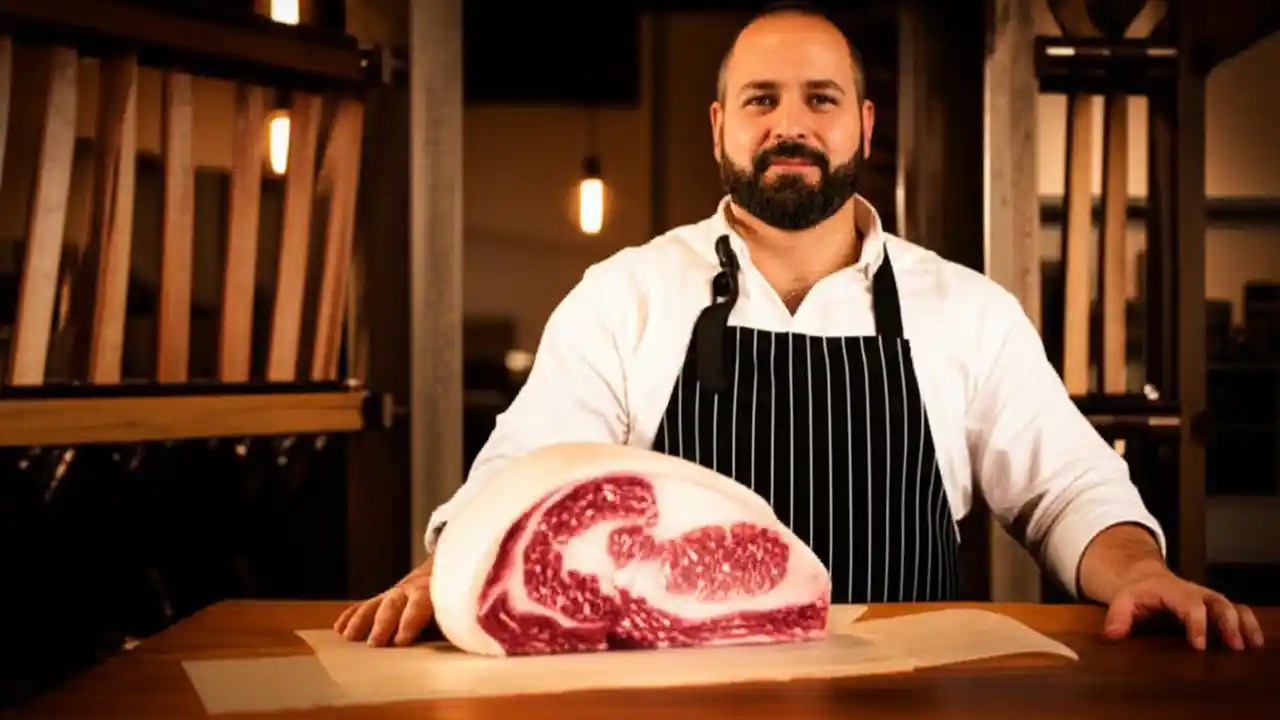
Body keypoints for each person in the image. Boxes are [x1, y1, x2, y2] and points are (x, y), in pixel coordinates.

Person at [335, 2, 1265, 652]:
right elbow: (520, 474)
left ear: (863, 123)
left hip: (903, 703)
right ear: (719, 128)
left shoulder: (965, 311)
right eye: (761, 99)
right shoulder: (628, 295)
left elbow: (1070, 491)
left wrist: (1138, 569)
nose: (792, 123)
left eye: (820, 99)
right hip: (680, 697)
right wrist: (448, 572)